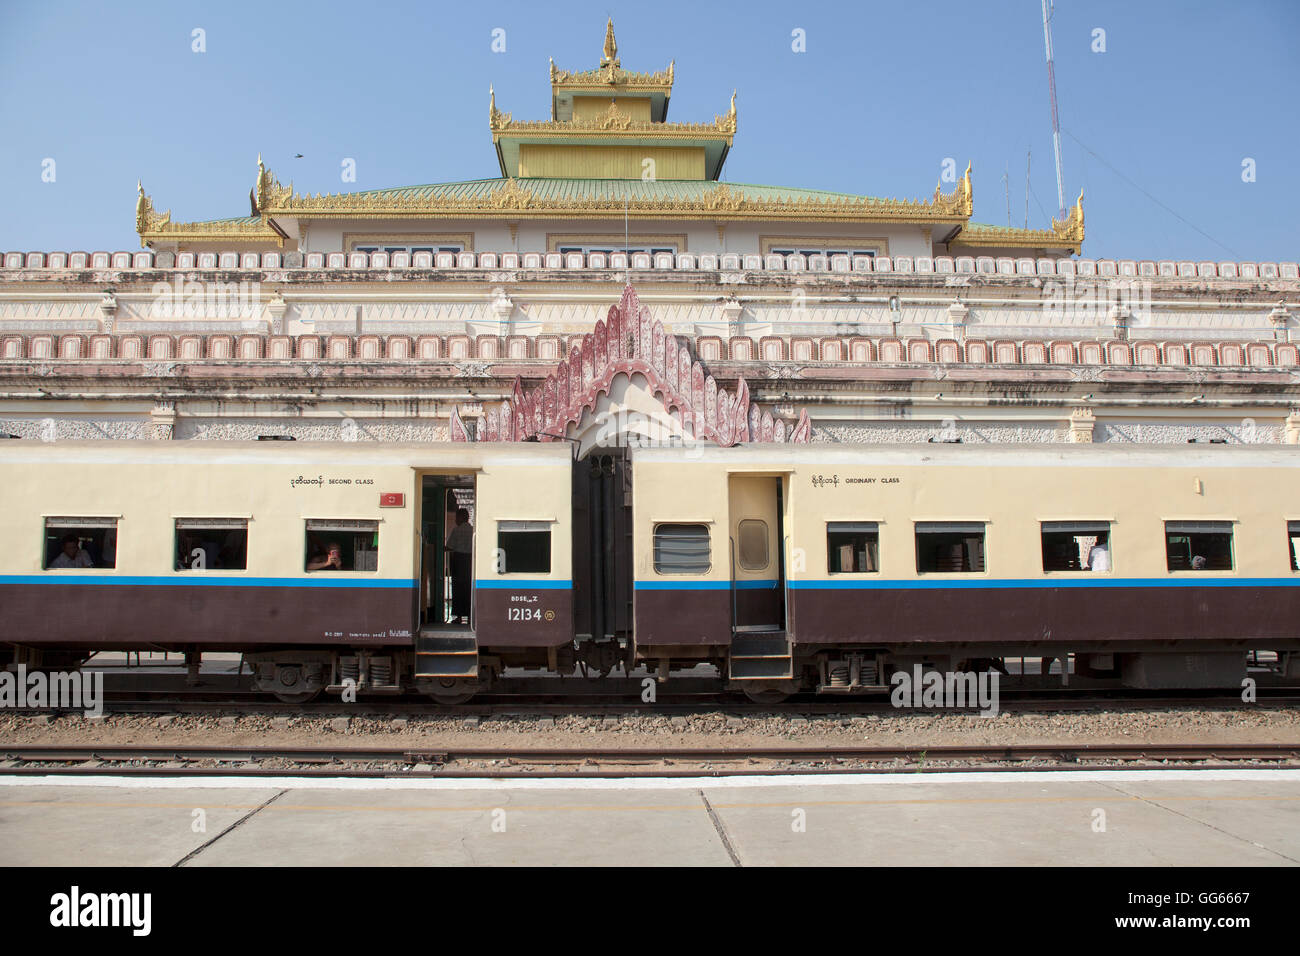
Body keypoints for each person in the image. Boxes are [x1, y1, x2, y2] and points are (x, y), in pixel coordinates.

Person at [445, 508, 473, 624]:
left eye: (457, 517)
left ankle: (459, 617)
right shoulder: (473, 530)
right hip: (471, 562)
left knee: (457, 590)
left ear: (462, 517)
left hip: (459, 562)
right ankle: (471, 616)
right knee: (468, 590)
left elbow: (449, 546)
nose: (456, 520)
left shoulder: (457, 530)